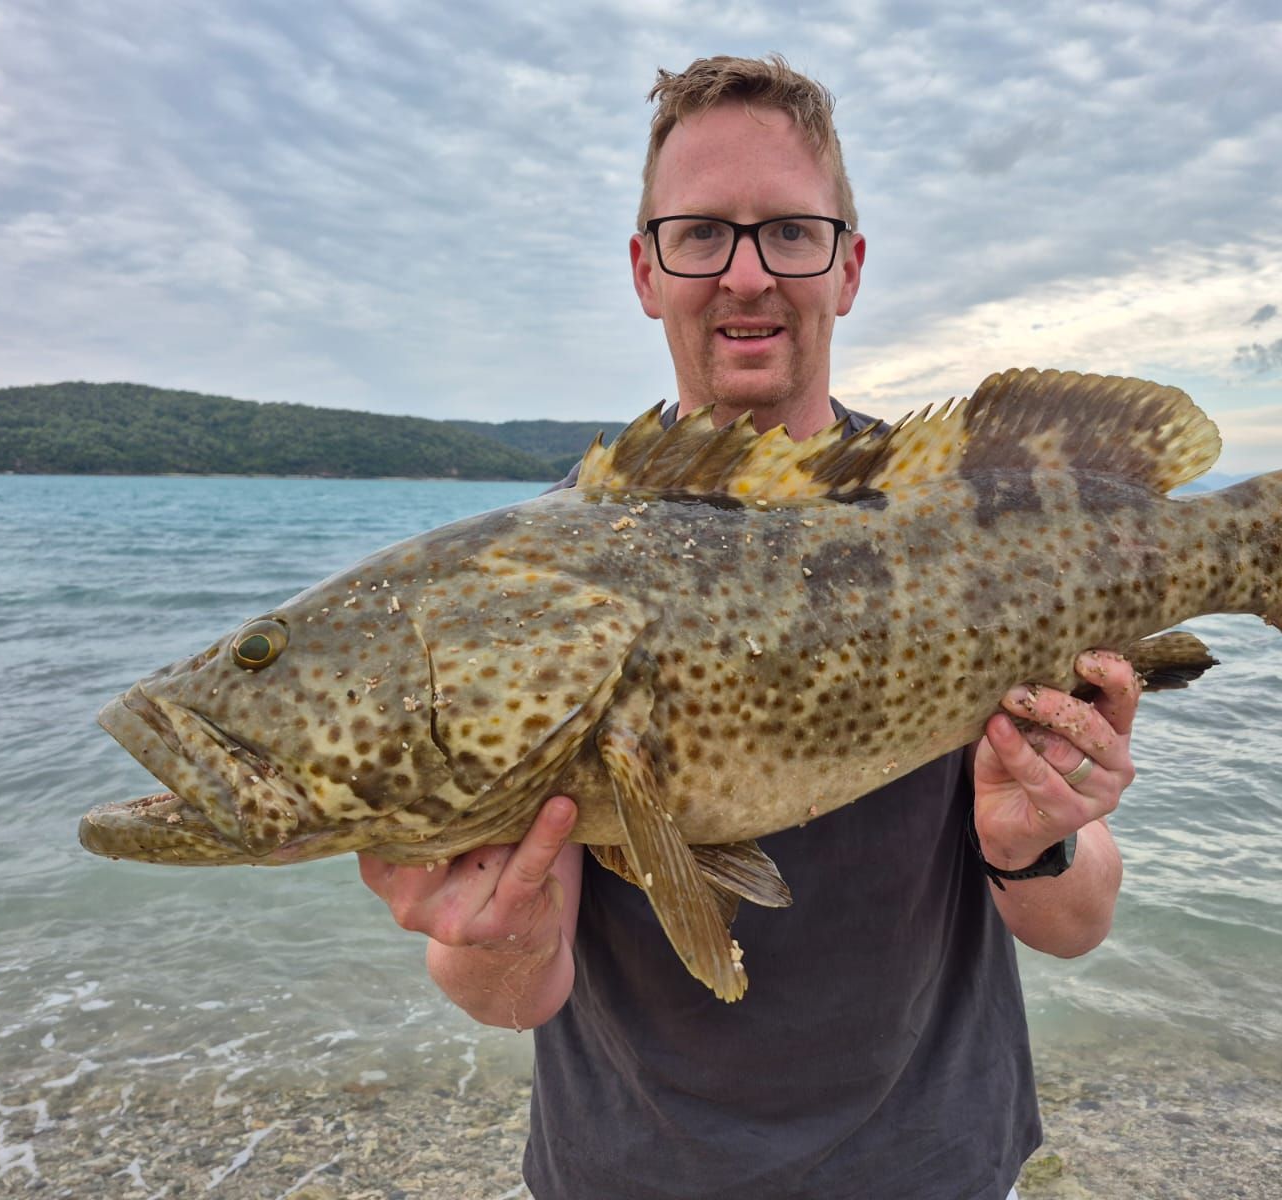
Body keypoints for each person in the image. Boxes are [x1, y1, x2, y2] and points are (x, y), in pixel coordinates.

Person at [361, 55, 1136, 1199]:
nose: (745, 276)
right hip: (626, 1172)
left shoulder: (967, 521)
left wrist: (1039, 839)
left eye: (788, 232)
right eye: (701, 235)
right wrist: (491, 927)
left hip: (938, 1162)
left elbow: (1075, 927)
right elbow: (516, 995)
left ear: (847, 265)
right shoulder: (544, 580)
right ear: (644, 269)